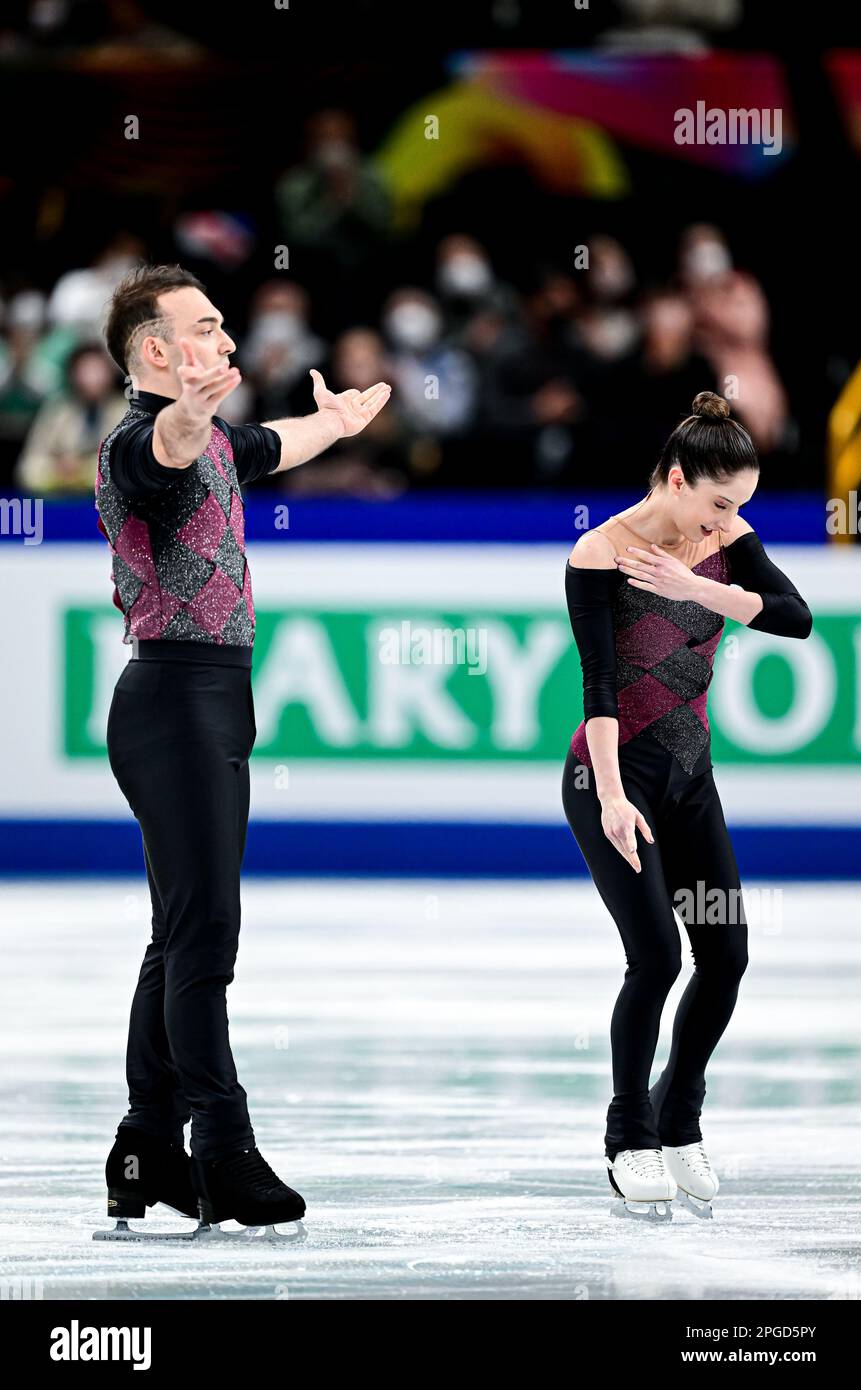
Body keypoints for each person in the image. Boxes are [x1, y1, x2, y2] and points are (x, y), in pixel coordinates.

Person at [93, 263, 390, 1237]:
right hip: (173, 701)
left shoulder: (216, 434)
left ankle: (145, 1144)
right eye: (206, 329)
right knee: (205, 933)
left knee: (178, 931)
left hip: (213, 699)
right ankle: (223, 1148)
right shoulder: (140, 441)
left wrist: (336, 425)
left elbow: (265, 442)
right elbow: (171, 445)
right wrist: (184, 409)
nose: (225, 342)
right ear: (156, 351)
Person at [561, 390, 812, 1222]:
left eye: (738, 507)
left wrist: (701, 587)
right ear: (675, 477)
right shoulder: (599, 553)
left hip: (690, 780)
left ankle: (680, 1119)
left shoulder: (726, 540)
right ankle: (629, 1134)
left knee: (727, 955)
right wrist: (609, 796)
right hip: (614, 774)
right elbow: (598, 687)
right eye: (718, 502)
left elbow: (795, 618)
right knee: (658, 959)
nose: (729, 521)